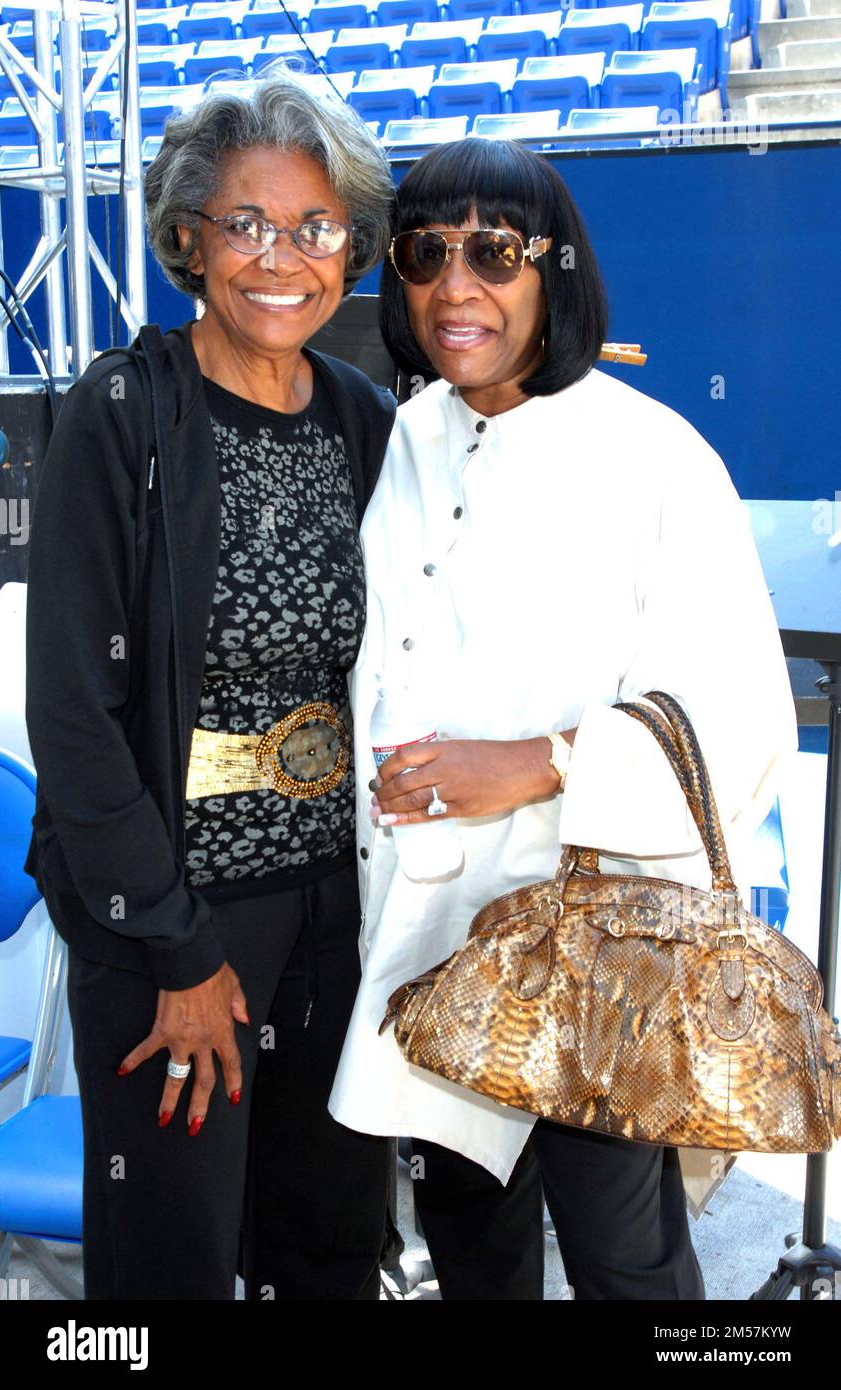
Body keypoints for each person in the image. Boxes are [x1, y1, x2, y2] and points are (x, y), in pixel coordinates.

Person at [328, 138, 799, 1301]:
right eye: (426, 252)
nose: (455, 285)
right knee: (472, 1243)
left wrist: (535, 764)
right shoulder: (412, 439)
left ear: (557, 270)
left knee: (622, 1259)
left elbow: (738, 713)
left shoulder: (651, 452)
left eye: (495, 250)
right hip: (435, 930)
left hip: (594, 935)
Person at [23, 71, 397, 1300]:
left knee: (328, 1242)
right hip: (169, 914)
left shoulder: (364, 419)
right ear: (189, 237)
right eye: (245, 223)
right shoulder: (119, 415)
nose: (279, 257)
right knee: (171, 1260)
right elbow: (73, 714)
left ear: (352, 244)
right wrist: (178, 955)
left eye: (314, 226)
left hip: (331, 912)